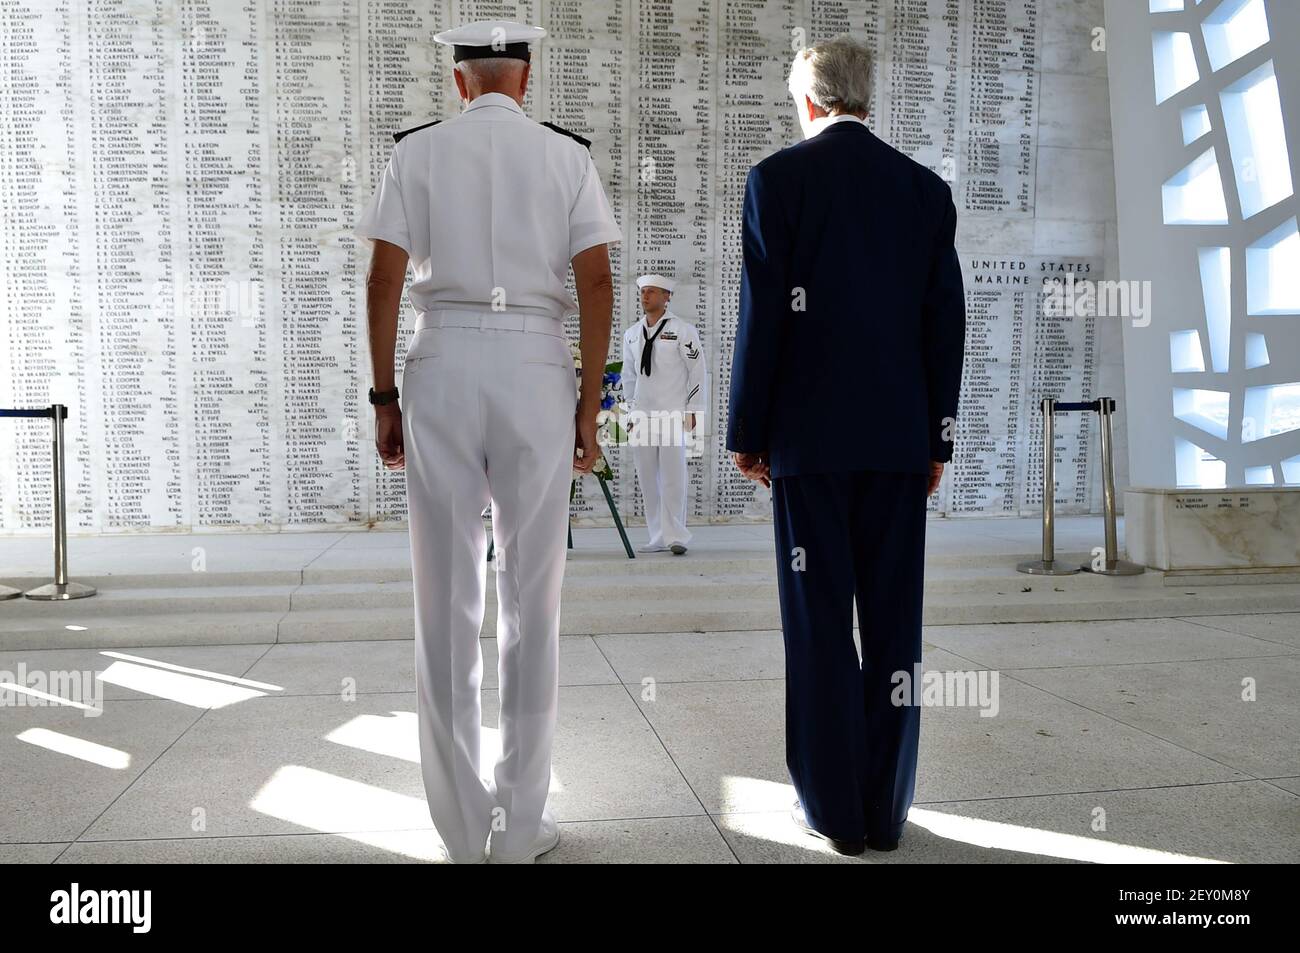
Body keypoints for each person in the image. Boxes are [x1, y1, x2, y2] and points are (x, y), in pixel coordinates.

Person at [355, 19, 621, 864]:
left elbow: (384, 279)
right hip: (537, 367)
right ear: (527, 78)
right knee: (531, 604)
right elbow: (598, 282)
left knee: (444, 601)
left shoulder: (419, 152)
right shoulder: (566, 156)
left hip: (442, 359)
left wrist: (384, 396)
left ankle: (463, 831)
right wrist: (586, 410)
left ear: (461, 82)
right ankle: (519, 824)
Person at [726, 35, 966, 855]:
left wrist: (747, 432)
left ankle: (832, 811)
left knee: (819, 626)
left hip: (809, 443)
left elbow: (763, 318)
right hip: (899, 443)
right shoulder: (925, 192)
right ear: (869, 99)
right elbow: (945, 326)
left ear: (806, 101)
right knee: (897, 626)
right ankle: (886, 809)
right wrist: (937, 436)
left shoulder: (777, 180)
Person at [621, 274, 707, 555]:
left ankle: (675, 535)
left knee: (673, 476)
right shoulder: (632, 334)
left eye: (653, 292)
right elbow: (629, 375)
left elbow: (697, 371)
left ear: (667, 297)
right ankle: (656, 535)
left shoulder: (683, 330)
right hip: (642, 414)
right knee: (647, 477)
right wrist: (628, 413)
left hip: (672, 412)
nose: (646, 296)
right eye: (643, 291)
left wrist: (693, 409)